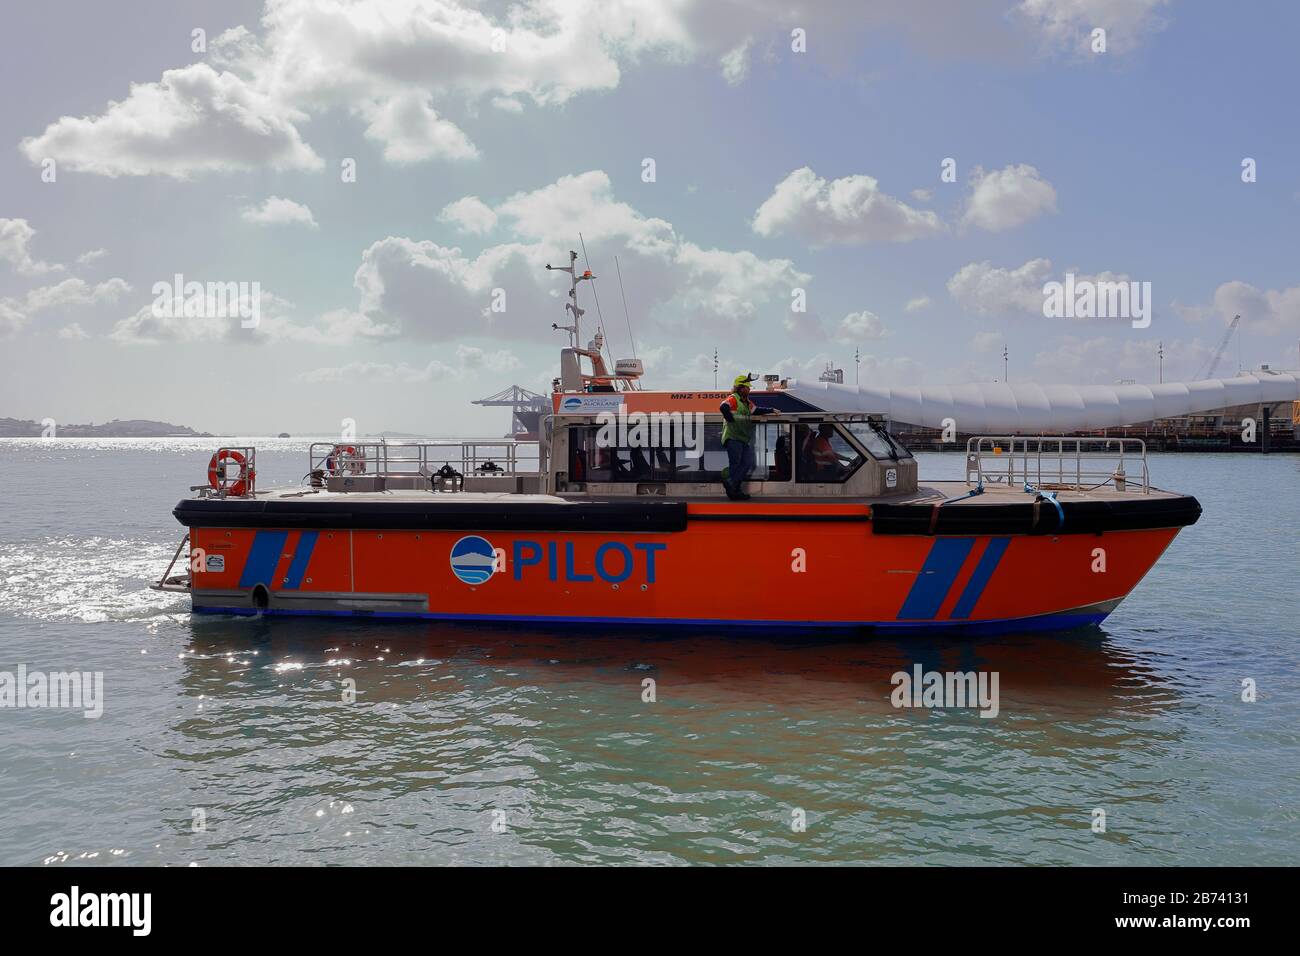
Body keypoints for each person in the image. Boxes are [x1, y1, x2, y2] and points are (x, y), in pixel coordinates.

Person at [719, 373, 775, 499]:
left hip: (743, 438)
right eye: (747, 387)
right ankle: (735, 492)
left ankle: (730, 483)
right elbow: (723, 407)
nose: (749, 389)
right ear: (740, 388)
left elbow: (756, 410)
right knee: (735, 464)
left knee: (748, 463)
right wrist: (731, 420)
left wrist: (772, 410)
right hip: (733, 437)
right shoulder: (733, 398)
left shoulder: (746, 402)